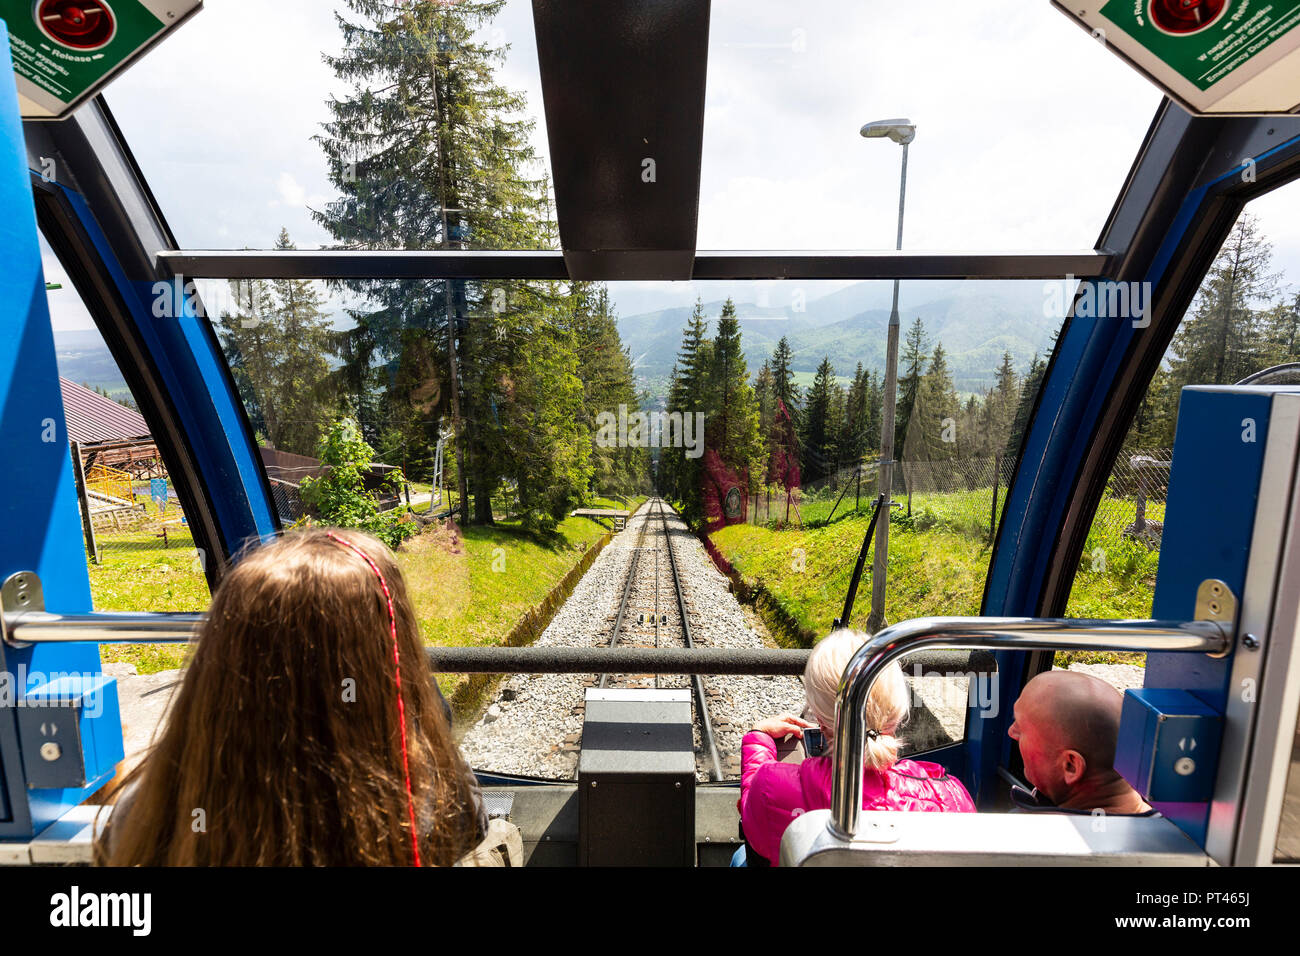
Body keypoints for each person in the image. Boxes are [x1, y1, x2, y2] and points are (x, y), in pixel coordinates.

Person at [98, 527, 486, 866]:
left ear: (216, 668)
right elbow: (472, 824)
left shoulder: (154, 811)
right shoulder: (433, 802)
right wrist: (413, 690)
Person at [736, 629, 975, 866]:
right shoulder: (951, 797)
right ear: (898, 711)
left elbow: (751, 817)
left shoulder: (770, 787)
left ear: (820, 720)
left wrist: (758, 738)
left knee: (741, 857)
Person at [1007, 670, 1154, 816]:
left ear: (1070, 766)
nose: (1011, 732)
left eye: (1021, 726)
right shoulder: (1161, 818)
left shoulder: (1026, 829)